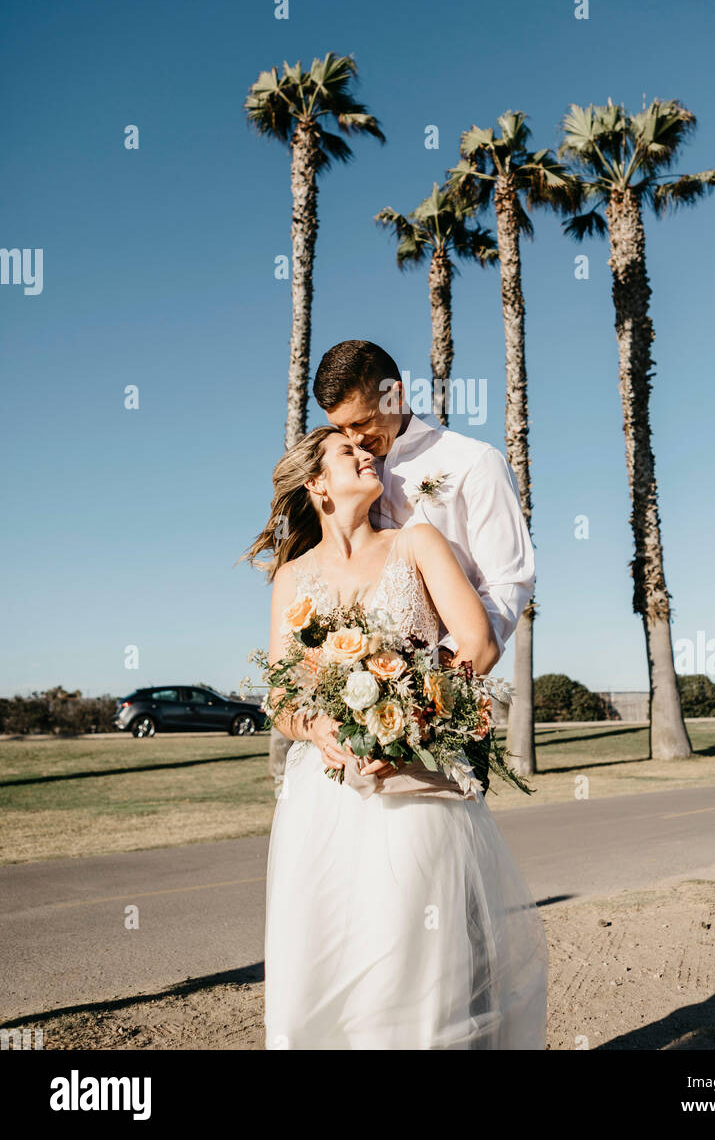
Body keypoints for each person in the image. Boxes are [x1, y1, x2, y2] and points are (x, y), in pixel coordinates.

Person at [245, 425, 548, 1050]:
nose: (367, 454)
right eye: (348, 452)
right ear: (317, 485)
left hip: (414, 791)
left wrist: (410, 713)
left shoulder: (417, 541)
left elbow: (479, 645)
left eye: (369, 448)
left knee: (409, 967)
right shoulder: (291, 577)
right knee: (318, 964)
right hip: (321, 796)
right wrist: (321, 725)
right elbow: (280, 694)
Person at [311, 340, 536, 792]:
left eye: (361, 421)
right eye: (342, 428)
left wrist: (434, 685)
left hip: (447, 697)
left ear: (394, 393)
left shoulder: (473, 462)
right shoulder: (350, 472)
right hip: (355, 708)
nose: (354, 439)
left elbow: (509, 582)